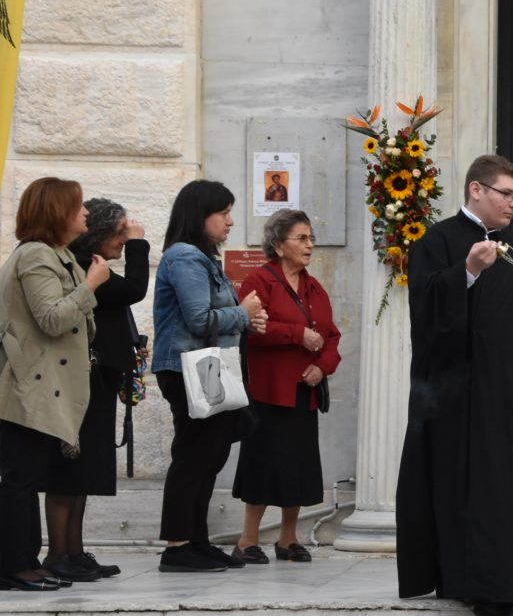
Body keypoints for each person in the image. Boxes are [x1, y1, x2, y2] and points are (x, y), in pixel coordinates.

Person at [396, 155, 513, 616]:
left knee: (503, 494)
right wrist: (464, 272)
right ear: (475, 190)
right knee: (464, 492)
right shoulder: (438, 241)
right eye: (505, 193)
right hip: (455, 398)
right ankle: (485, 593)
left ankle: (497, 591)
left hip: (505, 395)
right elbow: (423, 310)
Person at [0, 178, 110, 591]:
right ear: (57, 212)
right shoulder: (35, 257)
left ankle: (24, 560)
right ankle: (13, 565)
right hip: (29, 387)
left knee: (27, 476)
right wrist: (91, 285)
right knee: (20, 478)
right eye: (78, 206)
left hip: (45, 386)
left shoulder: (56, 254)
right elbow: (52, 318)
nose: (85, 214)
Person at [153, 180, 267, 573]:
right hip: (187, 367)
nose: (230, 221)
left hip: (207, 365)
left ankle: (196, 541)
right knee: (193, 455)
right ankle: (177, 546)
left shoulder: (200, 258)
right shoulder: (184, 256)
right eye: (223, 213)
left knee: (210, 454)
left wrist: (247, 320)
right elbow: (199, 319)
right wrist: (244, 312)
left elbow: (216, 317)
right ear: (199, 216)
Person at [41, 198, 148, 582]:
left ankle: (74, 550)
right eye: (119, 233)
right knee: (69, 466)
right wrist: (139, 244)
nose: (124, 240)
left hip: (100, 378)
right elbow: (134, 288)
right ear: (98, 233)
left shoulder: (95, 268)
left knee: (85, 468)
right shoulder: (86, 268)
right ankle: (57, 553)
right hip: (81, 379)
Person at [231, 210, 341, 565]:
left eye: (311, 238)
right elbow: (252, 328)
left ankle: (288, 539)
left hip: (302, 391)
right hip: (267, 390)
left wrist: (322, 368)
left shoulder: (313, 286)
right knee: (262, 462)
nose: (310, 245)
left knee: (298, 464)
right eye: (301, 238)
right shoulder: (259, 281)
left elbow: (332, 336)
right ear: (278, 245)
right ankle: (247, 540)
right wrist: (297, 334)